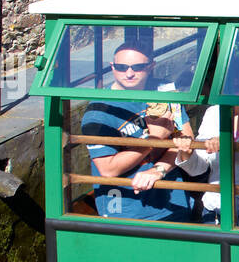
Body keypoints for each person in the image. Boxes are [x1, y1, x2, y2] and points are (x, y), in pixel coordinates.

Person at [81, 42, 197, 221]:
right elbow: (108, 169)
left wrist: (159, 170)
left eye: (138, 67)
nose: (129, 73)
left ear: (151, 66)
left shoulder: (164, 91)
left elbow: (186, 137)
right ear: (112, 67)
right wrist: (156, 138)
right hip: (125, 207)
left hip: (174, 199)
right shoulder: (98, 112)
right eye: (121, 67)